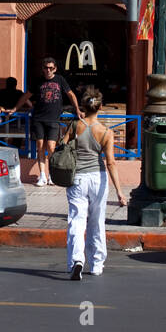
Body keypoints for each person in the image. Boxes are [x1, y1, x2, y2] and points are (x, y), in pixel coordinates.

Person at [62, 85, 126, 280]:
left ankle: (76, 261)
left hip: (77, 178)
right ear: (100, 108)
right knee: (97, 221)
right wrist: (120, 192)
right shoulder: (106, 132)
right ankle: (97, 263)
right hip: (98, 178)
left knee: (76, 220)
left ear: (84, 107)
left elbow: (62, 146)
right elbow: (111, 163)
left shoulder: (74, 126)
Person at [16, 57, 81, 187]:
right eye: (46, 68)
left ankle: (52, 174)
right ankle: (42, 176)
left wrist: (77, 110)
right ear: (43, 69)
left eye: (51, 68)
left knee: (51, 147)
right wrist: (15, 108)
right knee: (40, 146)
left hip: (53, 119)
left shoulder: (60, 79)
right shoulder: (38, 81)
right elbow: (26, 96)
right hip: (39, 118)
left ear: (55, 69)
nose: (48, 70)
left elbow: (71, 95)